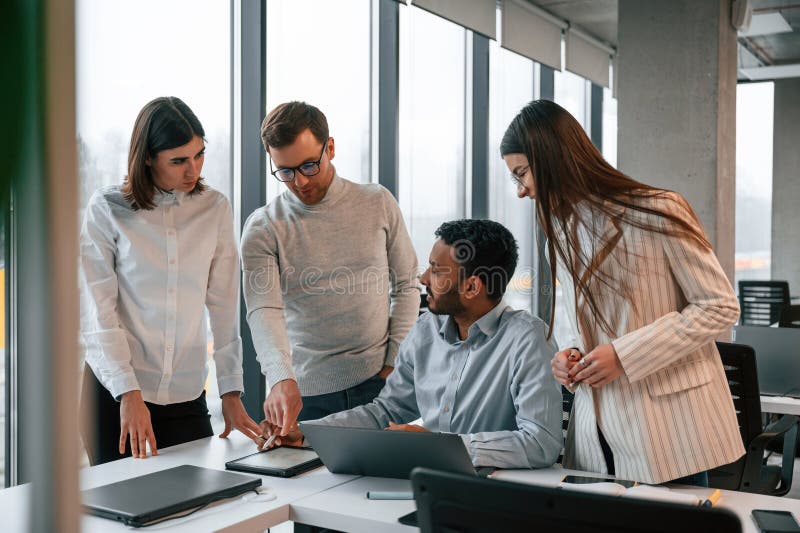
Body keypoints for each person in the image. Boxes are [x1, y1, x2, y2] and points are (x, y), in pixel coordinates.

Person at [499, 99, 744, 485]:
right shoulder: (560, 233)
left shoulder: (659, 211)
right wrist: (568, 356)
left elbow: (719, 307)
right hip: (596, 434)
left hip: (670, 430)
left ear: (551, 157)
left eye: (522, 174)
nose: (521, 191)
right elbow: (579, 325)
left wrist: (624, 355)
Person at [261, 219, 563, 470]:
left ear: (472, 286)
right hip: (427, 482)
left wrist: (441, 446)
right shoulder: (425, 329)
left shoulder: (529, 339)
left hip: (493, 493)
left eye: (437, 270)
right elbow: (386, 411)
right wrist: (308, 434)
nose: (423, 277)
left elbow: (541, 443)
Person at [80, 97, 262, 464]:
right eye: (178, 161)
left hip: (186, 394)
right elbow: (99, 313)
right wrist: (128, 393)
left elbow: (224, 307)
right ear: (147, 157)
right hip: (116, 397)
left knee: (200, 497)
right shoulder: (107, 208)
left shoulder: (215, 208)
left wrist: (230, 391)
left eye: (199, 155)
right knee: (122, 498)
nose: (193, 170)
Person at [241, 101, 419, 439]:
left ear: (331, 148)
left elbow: (407, 285)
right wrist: (280, 377)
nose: (300, 182)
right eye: (285, 172)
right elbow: (264, 310)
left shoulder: (377, 202)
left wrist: (394, 361)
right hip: (305, 395)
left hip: (382, 385)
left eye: (309, 165)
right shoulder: (263, 227)